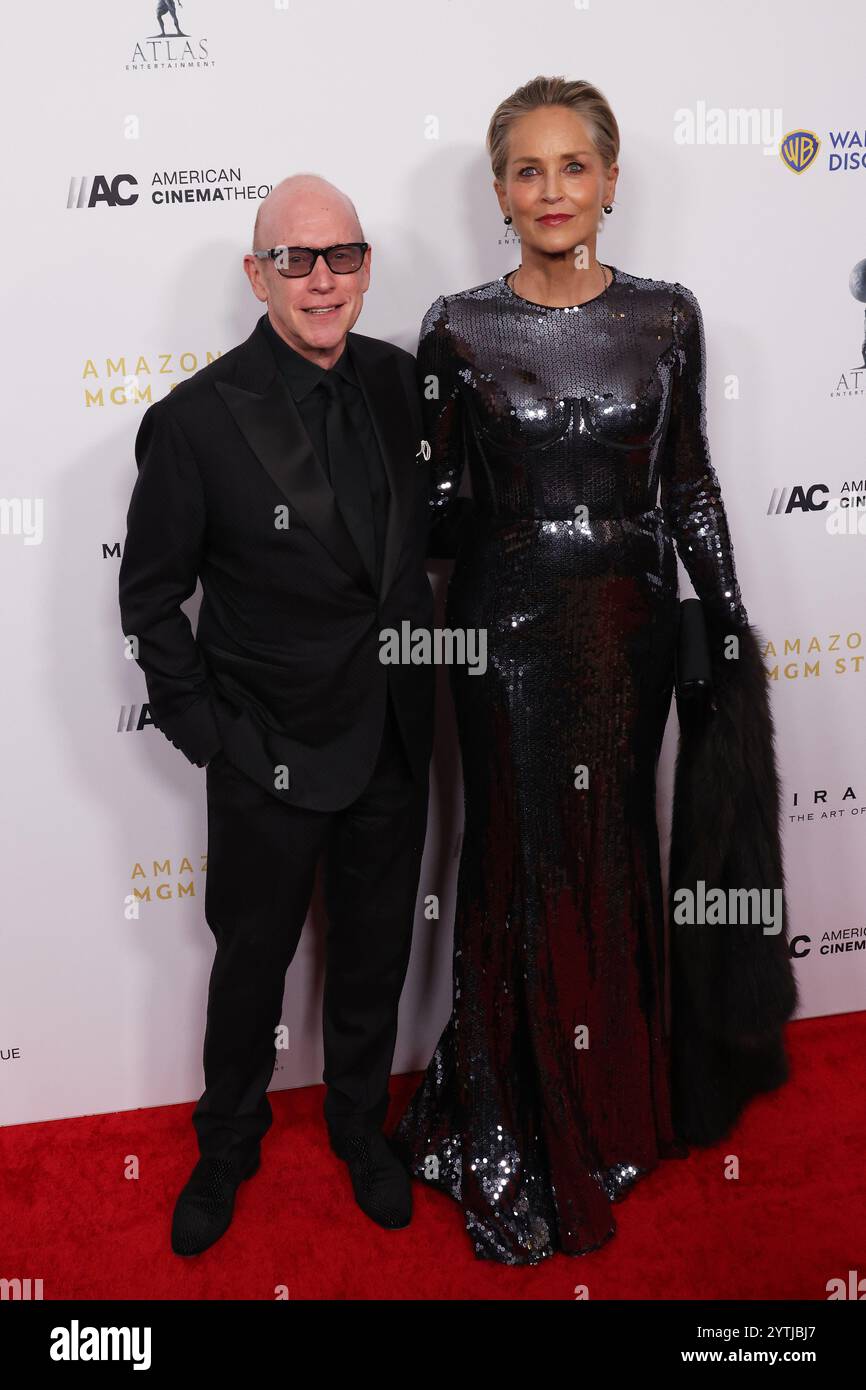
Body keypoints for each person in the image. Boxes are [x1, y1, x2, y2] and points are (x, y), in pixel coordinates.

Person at [392, 76, 798, 1264]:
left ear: (610, 183)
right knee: (520, 861)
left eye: (574, 167)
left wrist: (723, 620)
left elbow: (690, 485)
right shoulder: (454, 328)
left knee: (617, 850)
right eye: (527, 169)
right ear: (499, 191)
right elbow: (428, 504)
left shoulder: (667, 316)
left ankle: (614, 1102)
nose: (551, 190)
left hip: (629, 632)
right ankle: (515, 1118)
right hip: (505, 635)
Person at [119, 175, 435, 1255]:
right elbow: (150, 602)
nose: (319, 279)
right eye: (294, 259)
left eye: (339, 255)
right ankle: (226, 1139)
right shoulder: (197, 421)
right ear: (257, 276)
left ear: (362, 268)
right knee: (249, 960)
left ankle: (359, 1124)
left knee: (374, 954)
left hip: (392, 735)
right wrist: (216, 741)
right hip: (266, 749)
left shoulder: (405, 386)